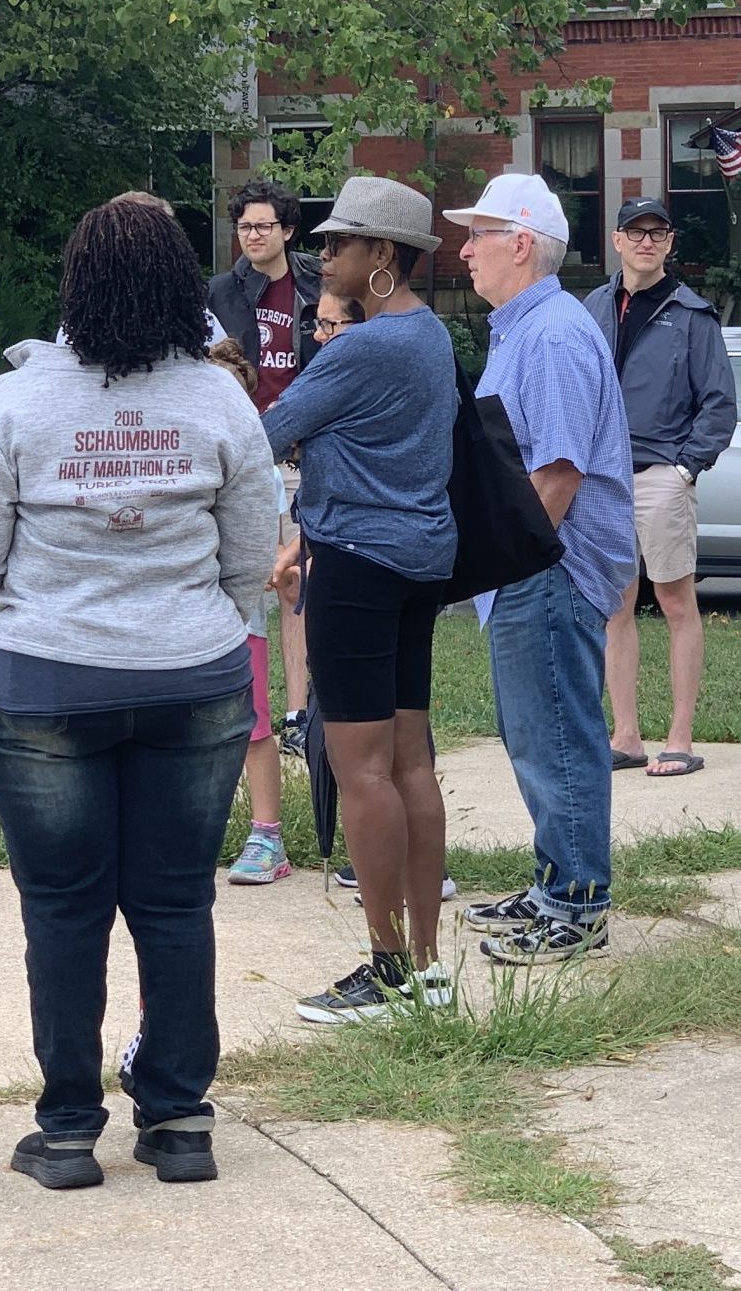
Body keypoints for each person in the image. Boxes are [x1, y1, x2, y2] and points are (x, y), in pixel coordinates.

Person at [0, 195, 277, 1190]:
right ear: (182, 284)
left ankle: (70, 1128)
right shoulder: (219, 403)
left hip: (43, 683)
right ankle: (179, 1122)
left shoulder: (16, 402)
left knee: (64, 909)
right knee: (175, 902)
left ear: (75, 285)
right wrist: (175, 611)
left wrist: (55, 602)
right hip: (195, 680)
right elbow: (251, 556)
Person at [258, 176, 459, 1024]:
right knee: (410, 759)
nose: (322, 255)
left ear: (382, 255)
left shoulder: (362, 346)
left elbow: (259, 433)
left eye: (338, 242)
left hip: (356, 562)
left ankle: (383, 969)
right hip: (418, 560)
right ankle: (425, 966)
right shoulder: (429, 335)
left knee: (359, 764)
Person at [445, 173, 636, 966]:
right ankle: (555, 879)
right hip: (529, 568)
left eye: (477, 235)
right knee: (536, 732)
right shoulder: (529, 327)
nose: (462, 250)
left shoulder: (552, 334)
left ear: (519, 244)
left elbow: (556, 474)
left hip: (545, 567)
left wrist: (505, 563)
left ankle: (575, 903)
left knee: (555, 733)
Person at [583, 196, 737, 778]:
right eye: (635, 231)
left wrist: (686, 468)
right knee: (614, 605)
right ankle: (625, 736)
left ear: (670, 244)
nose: (646, 241)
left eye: (658, 232)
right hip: (601, 479)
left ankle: (679, 736)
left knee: (675, 601)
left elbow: (719, 405)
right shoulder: (593, 306)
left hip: (661, 475)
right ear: (617, 240)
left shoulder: (691, 313)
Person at [207, 179, 320, 754]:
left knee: (295, 584)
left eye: (263, 226)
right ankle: (244, 716)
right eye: (245, 227)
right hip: (241, 461)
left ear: (287, 230)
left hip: (300, 456)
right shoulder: (219, 293)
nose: (252, 236)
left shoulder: (316, 288)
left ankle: (299, 714)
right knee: (244, 585)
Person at [206, 338, 292, 887]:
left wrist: (276, 564)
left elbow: (281, 539)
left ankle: (268, 834)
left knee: (254, 723)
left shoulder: (263, 467)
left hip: (242, 616)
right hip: (186, 617)